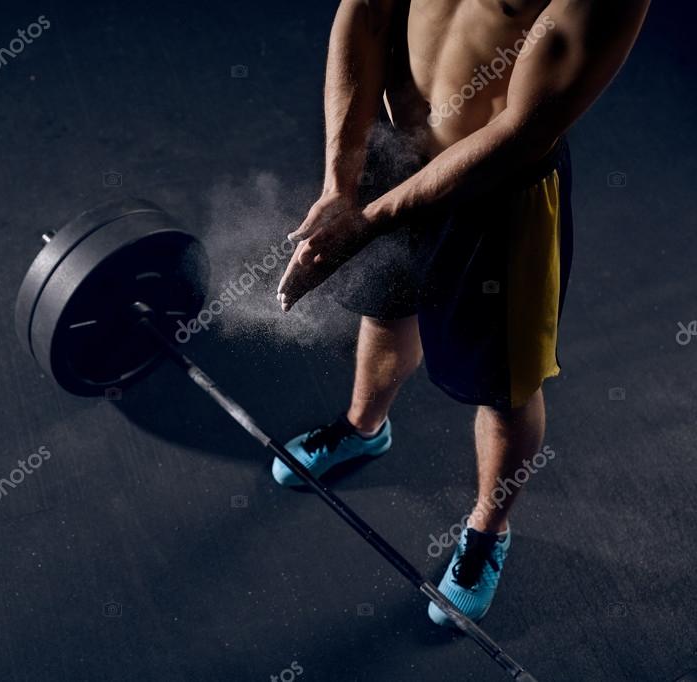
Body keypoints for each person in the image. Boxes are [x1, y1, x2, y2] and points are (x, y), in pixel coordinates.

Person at [273, 0, 649, 626]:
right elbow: (365, 14)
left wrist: (370, 220)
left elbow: (522, 129)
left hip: (500, 189)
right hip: (395, 150)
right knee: (387, 308)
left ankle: (487, 530)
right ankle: (364, 429)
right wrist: (342, 183)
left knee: (504, 384)